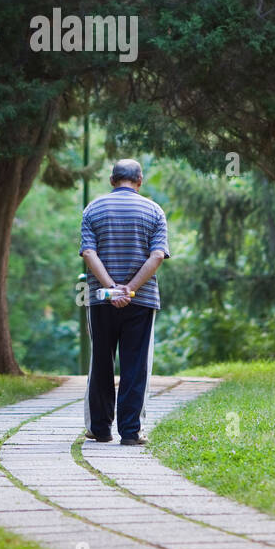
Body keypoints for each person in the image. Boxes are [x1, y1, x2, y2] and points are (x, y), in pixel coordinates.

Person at [79, 159, 170, 445]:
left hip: (102, 301)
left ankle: (100, 429)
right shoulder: (154, 211)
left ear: (111, 180)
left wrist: (111, 288)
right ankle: (130, 432)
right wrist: (129, 289)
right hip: (141, 300)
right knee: (135, 364)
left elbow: (88, 253)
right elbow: (157, 256)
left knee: (101, 362)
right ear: (139, 181)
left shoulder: (92, 209)